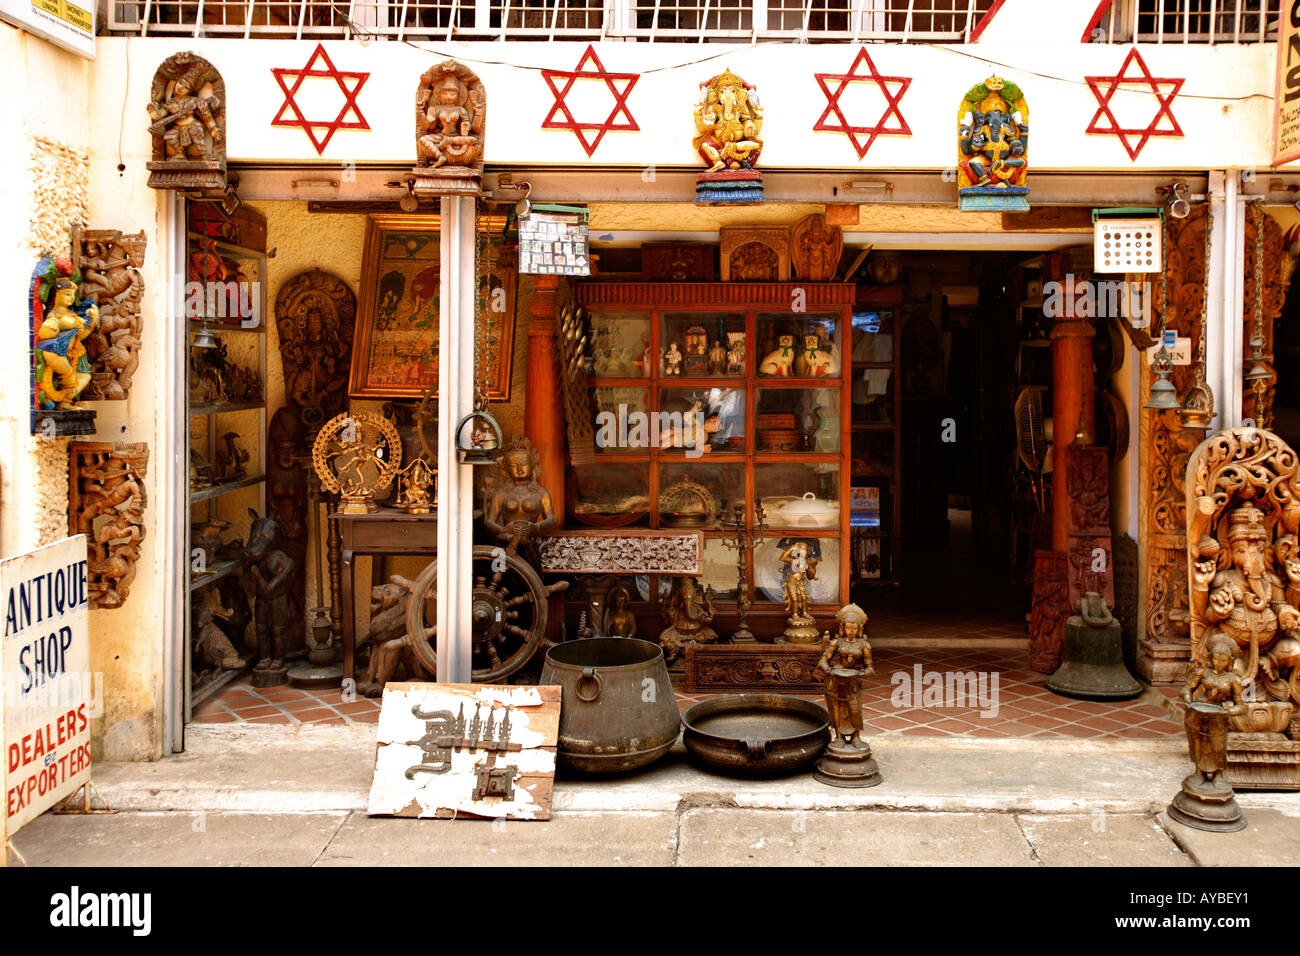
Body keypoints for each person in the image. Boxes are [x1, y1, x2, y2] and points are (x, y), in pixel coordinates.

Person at [816, 604, 874, 747]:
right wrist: (829, 671)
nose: (851, 631)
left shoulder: (864, 645)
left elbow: (870, 669)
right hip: (835, 678)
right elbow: (823, 660)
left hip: (853, 680)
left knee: (855, 709)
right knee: (836, 708)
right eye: (848, 628)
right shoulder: (837, 642)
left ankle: (856, 736)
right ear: (842, 627)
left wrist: (859, 673)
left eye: (854, 628)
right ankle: (839, 737)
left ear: (860, 629)